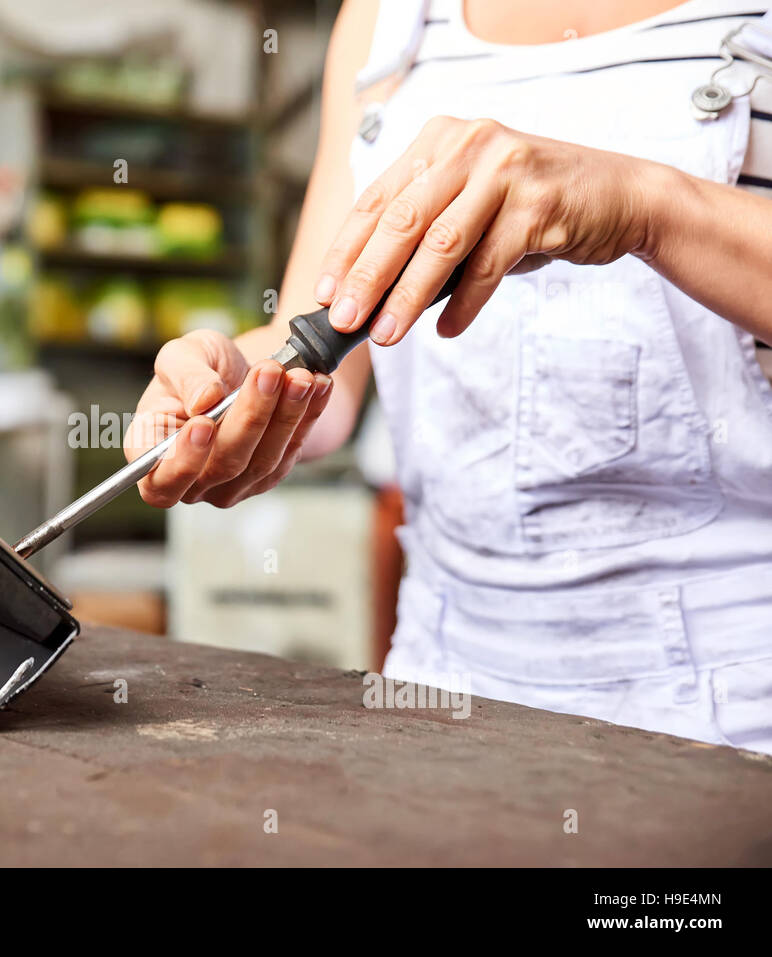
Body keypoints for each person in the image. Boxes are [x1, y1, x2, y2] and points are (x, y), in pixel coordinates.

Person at [124, 0, 772, 752]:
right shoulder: (387, 18)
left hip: (737, 709)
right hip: (442, 691)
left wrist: (647, 207)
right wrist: (242, 383)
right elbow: (326, 342)